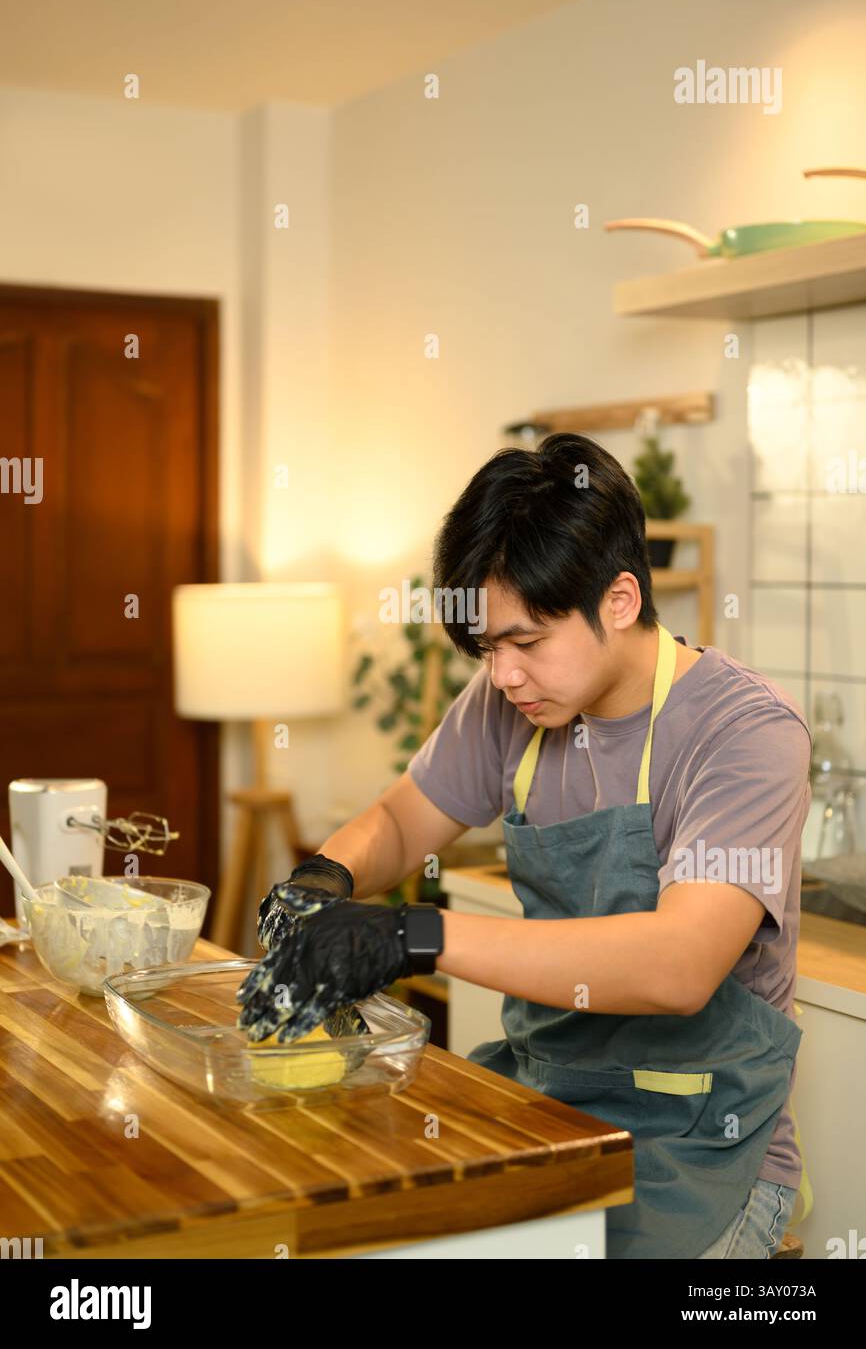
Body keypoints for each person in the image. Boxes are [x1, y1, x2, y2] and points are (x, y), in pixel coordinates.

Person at [237, 432, 811, 1260]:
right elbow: (402, 820)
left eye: (527, 642)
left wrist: (414, 934)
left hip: (699, 1142)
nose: (502, 675)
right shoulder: (515, 699)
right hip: (542, 1099)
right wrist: (328, 875)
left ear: (620, 599)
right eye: (487, 648)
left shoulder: (746, 731)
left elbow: (680, 965)